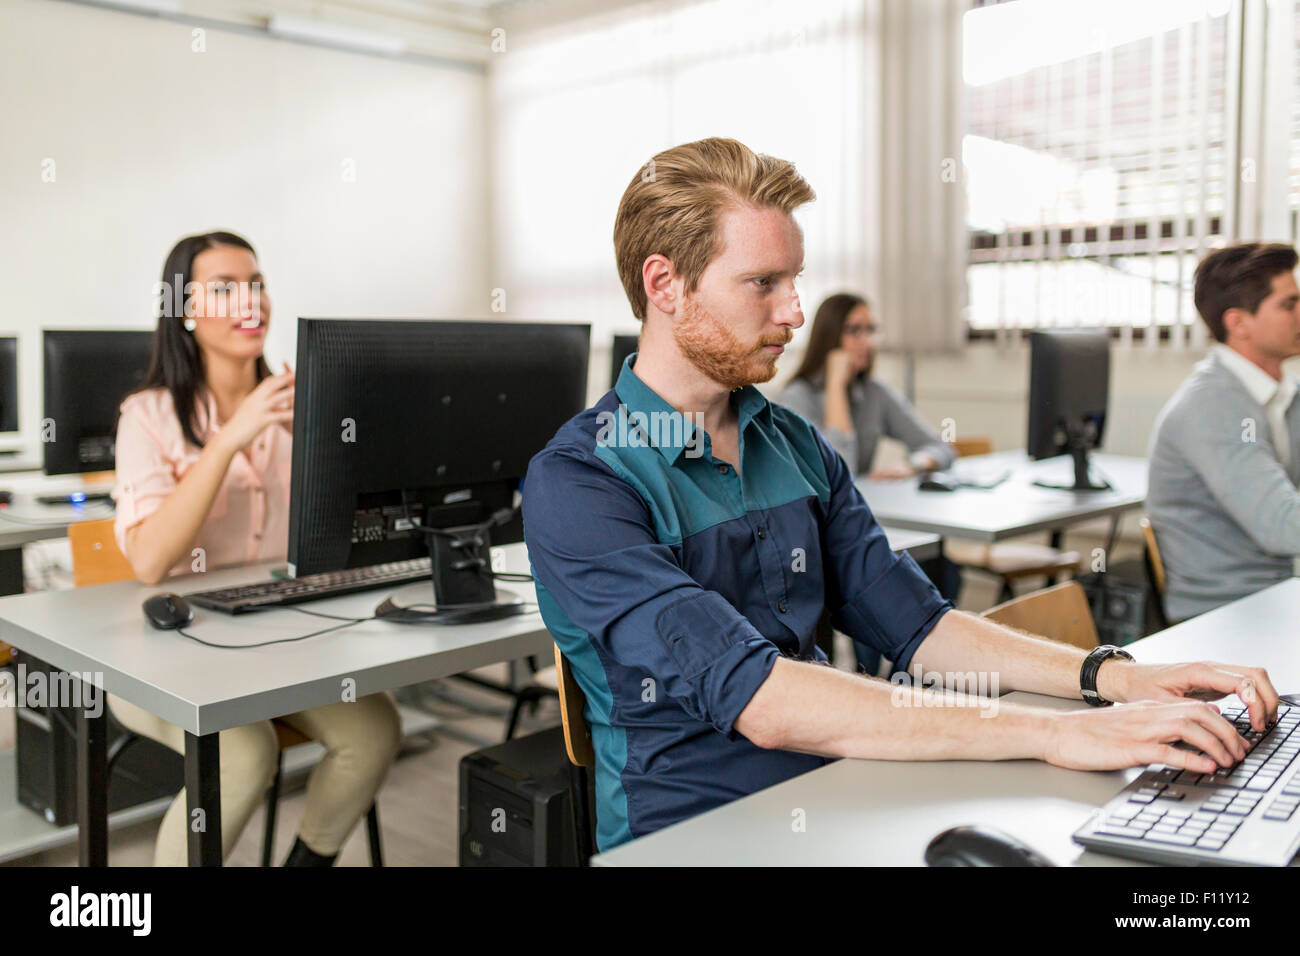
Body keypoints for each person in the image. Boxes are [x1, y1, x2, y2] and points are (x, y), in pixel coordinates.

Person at [522, 137, 1277, 853]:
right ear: (665, 285)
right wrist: (1056, 733)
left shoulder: (792, 442)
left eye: (794, 280)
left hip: (846, 784)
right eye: (763, 283)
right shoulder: (582, 480)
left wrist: (1112, 677)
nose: (793, 312)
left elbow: (919, 626)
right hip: (696, 833)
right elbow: (765, 701)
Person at [110, 231, 401, 866]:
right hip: (164, 652)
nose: (251, 301)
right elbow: (150, 561)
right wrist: (226, 442)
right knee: (245, 751)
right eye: (225, 288)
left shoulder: (306, 404)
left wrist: (333, 441)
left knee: (375, 730)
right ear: (185, 309)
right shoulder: (148, 416)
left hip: (274, 639)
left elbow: (357, 530)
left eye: (257, 283)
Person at [1148, 242, 1300, 621]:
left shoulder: (1282, 391)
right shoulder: (1212, 406)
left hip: (1277, 599)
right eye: (1289, 304)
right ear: (1238, 323)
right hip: (1222, 618)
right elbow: (1284, 527)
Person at [780, 292, 954, 478]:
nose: (867, 342)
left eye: (870, 330)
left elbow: (941, 447)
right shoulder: (795, 398)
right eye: (854, 330)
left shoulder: (874, 391)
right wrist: (836, 386)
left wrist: (912, 465)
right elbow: (839, 476)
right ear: (829, 336)